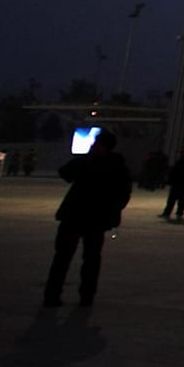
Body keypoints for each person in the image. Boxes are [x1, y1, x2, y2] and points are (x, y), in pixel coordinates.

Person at [42, 128, 133, 307]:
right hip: (90, 219)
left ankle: (61, 294)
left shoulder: (94, 163)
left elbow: (65, 173)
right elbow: (124, 194)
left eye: (96, 144)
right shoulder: (116, 165)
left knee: (70, 258)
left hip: (80, 217)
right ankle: (82, 295)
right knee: (85, 258)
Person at [161, 146, 184, 221]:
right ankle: (177, 213)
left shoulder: (183, 161)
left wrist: (171, 180)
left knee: (174, 199)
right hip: (182, 183)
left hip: (179, 183)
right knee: (180, 199)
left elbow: (175, 172)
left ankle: (170, 213)